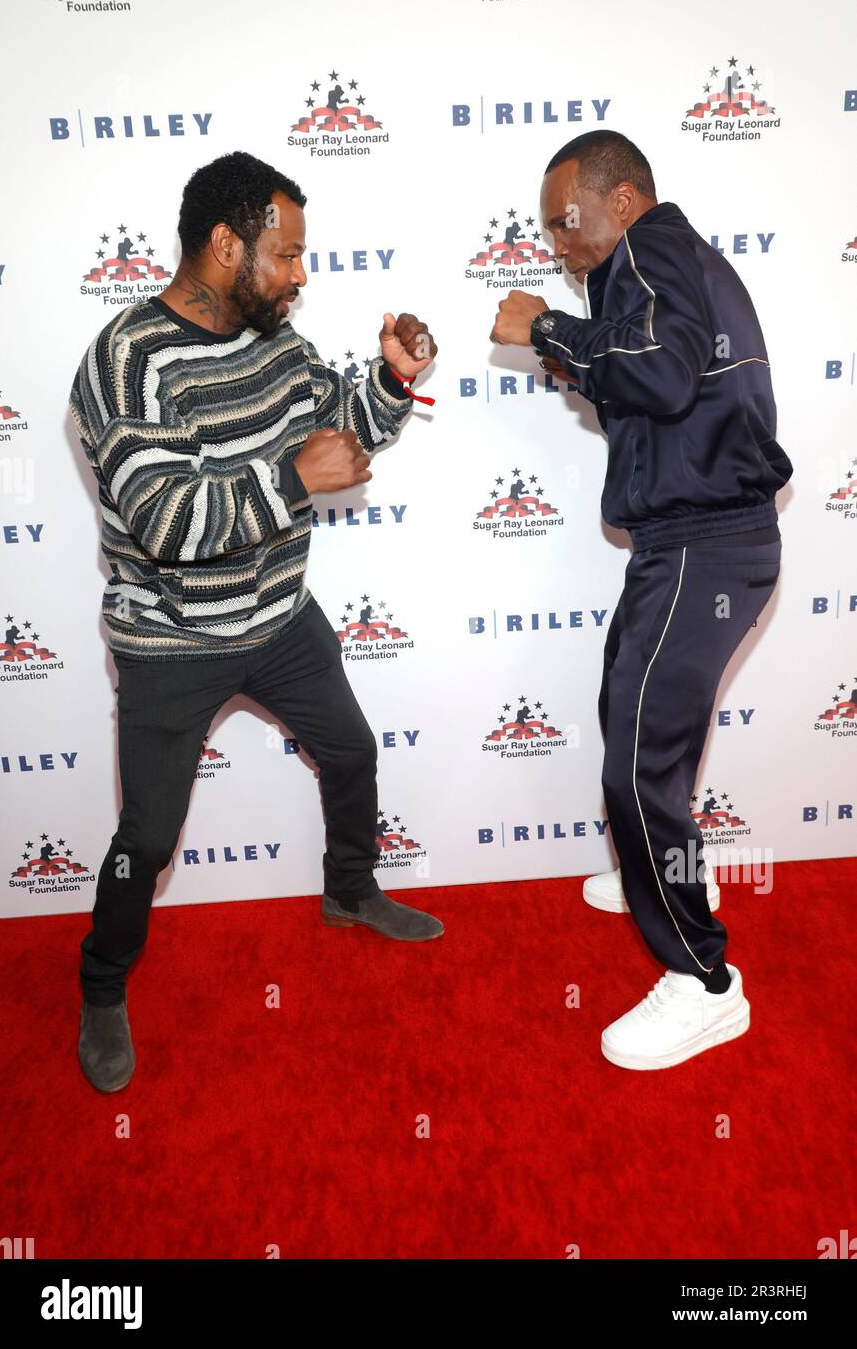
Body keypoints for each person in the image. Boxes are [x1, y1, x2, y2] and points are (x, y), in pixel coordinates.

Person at [69, 151, 441, 1094]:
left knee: (352, 751)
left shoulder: (278, 342)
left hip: (279, 617)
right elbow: (164, 522)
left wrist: (390, 384)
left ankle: (350, 890)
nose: (301, 274)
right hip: (170, 640)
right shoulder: (125, 362)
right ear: (226, 244)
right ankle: (103, 984)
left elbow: (337, 429)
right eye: (289, 254)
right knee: (150, 838)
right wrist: (292, 479)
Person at [490, 129, 792, 1071]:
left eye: (564, 221)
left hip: (706, 545)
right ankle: (649, 869)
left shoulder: (653, 245)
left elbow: (658, 371)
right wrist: (584, 358)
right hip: (691, 544)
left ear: (620, 201)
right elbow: (669, 384)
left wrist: (546, 326)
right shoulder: (675, 265)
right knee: (632, 714)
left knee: (636, 765)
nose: (557, 243)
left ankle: (704, 982)